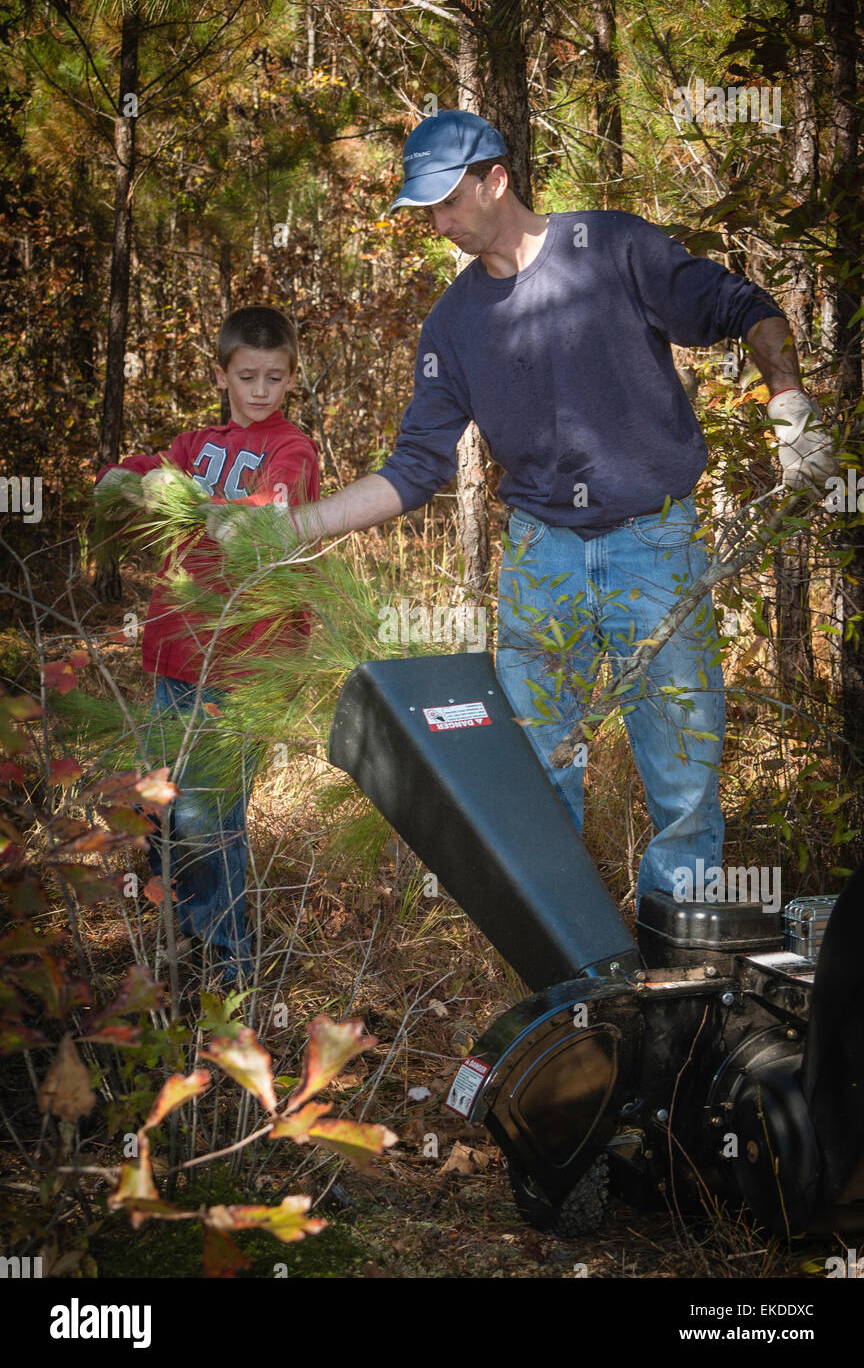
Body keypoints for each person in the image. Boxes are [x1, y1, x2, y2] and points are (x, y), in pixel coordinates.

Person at [208, 111, 836, 914]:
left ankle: (681, 974)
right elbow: (413, 471)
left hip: (658, 545)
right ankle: (572, 972)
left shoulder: (612, 248)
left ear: (495, 179)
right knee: (538, 769)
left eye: (446, 203)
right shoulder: (454, 323)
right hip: (542, 560)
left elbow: (744, 306)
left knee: (683, 770)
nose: (437, 224)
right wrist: (290, 527)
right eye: (425, 209)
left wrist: (789, 405)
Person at [95, 305, 320, 982]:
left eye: (274, 378)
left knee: (208, 814)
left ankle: (230, 962)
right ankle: (183, 931)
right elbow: (144, 471)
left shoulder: (291, 448)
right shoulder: (197, 445)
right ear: (220, 372)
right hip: (180, 656)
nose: (259, 390)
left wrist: (207, 507)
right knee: (157, 801)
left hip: (244, 658)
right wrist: (123, 479)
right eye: (246, 375)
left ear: (289, 379)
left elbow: (270, 511)